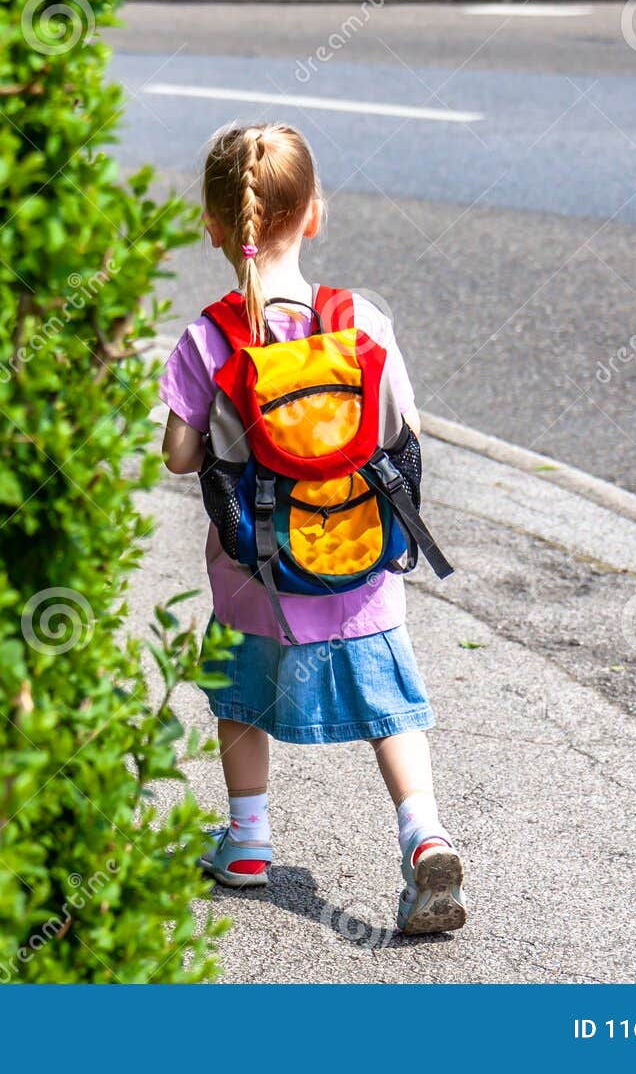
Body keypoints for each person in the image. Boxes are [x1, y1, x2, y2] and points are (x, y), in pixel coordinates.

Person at [158, 121, 465, 935]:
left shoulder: (209, 335)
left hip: (255, 576)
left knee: (239, 701)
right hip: (359, 565)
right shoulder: (358, 317)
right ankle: (423, 834)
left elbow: (180, 457)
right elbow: (405, 425)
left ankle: (249, 841)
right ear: (316, 214)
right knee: (390, 708)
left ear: (216, 228)